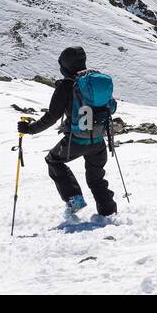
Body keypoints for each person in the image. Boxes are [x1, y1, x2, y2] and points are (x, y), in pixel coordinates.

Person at [18, 46, 118, 218]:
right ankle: (108, 211)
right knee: (96, 178)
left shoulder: (66, 86)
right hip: (98, 142)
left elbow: (52, 117)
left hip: (77, 140)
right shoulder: (94, 81)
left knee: (53, 160)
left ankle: (74, 199)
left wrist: (29, 129)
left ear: (64, 65)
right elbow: (112, 107)